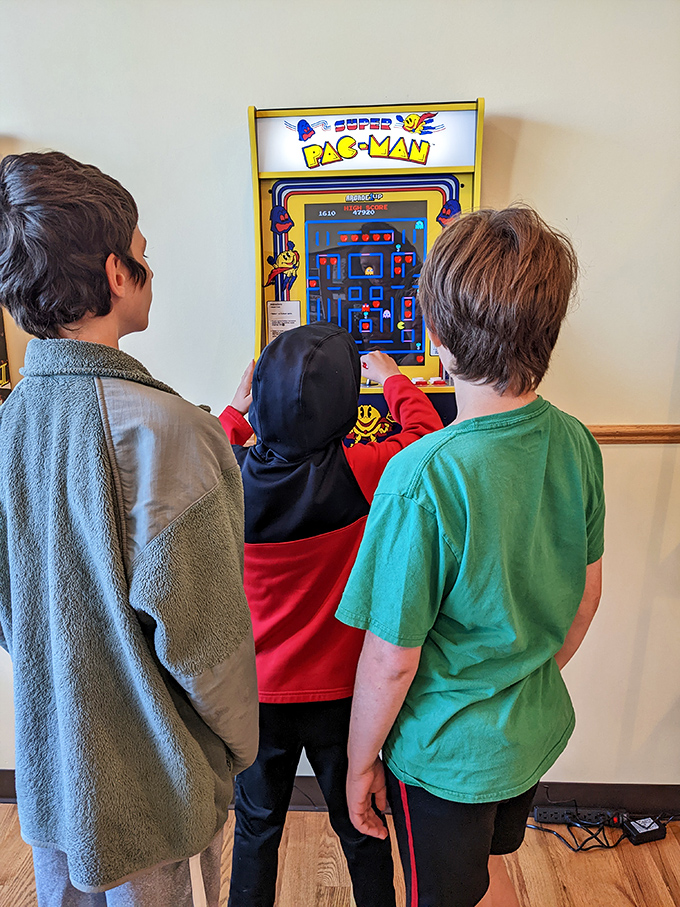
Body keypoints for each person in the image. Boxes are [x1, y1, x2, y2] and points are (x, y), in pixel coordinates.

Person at [0, 151, 258, 907]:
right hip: (157, 784)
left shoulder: (10, 426)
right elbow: (208, 648)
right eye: (144, 255)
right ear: (116, 273)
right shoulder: (172, 432)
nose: (150, 268)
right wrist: (240, 745)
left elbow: (14, 617)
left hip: (54, 775)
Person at [337, 206, 605, 907]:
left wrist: (357, 760)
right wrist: (518, 678)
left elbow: (391, 657)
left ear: (437, 339)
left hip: (443, 758)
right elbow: (585, 596)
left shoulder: (420, 475)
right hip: (532, 728)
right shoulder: (575, 440)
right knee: (486, 865)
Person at [218, 322, 443, 907]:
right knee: (360, 823)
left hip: (258, 698)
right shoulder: (363, 470)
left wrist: (237, 408)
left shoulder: (227, 479)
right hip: (343, 697)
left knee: (256, 829)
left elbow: (211, 446)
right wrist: (393, 380)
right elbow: (427, 433)